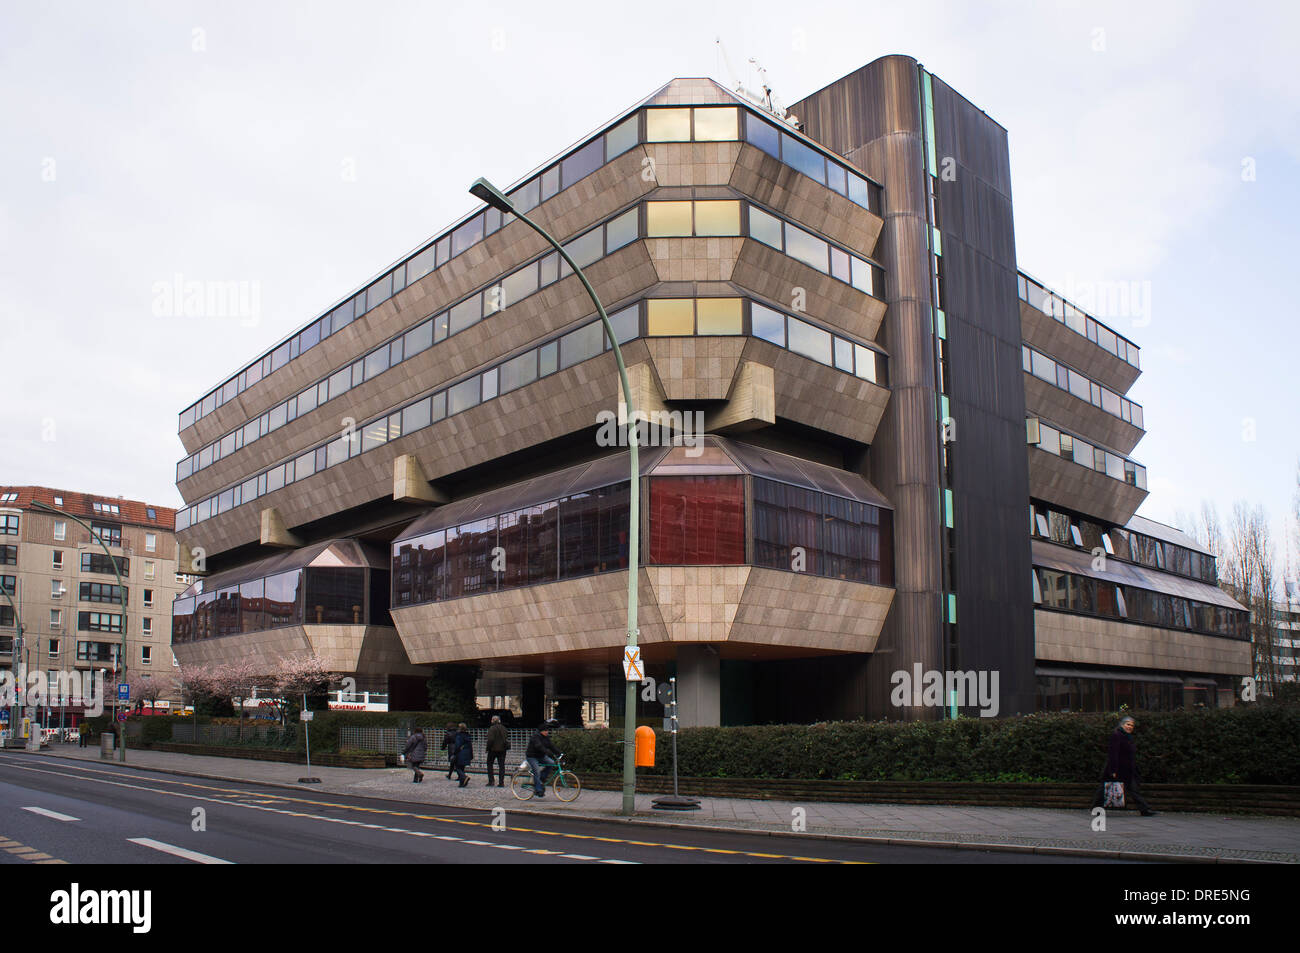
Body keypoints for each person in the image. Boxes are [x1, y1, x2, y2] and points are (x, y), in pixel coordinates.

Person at [1091, 714, 1158, 816]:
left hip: (1126, 770)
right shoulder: (1117, 735)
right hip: (1117, 769)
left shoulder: (1127, 737)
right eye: (1128, 724)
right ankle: (1095, 808)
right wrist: (1113, 770)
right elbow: (1113, 754)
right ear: (1122, 725)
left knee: (1132, 790)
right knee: (1104, 790)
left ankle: (1145, 809)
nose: (1130, 727)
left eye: (1132, 725)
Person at [525, 723, 562, 797]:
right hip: (532, 756)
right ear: (541, 731)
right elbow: (539, 746)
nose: (547, 732)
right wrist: (548, 753)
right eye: (545, 731)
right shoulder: (535, 737)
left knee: (551, 763)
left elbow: (551, 746)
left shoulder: (546, 737)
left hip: (541, 756)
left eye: (547, 731)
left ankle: (541, 778)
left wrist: (559, 753)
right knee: (537, 771)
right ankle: (538, 790)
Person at [485, 715, 510, 788]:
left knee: (489, 764)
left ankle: (491, 781)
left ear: (492, 720)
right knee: (501, 766)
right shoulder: (504, 728)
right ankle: (501, 782)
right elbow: (506, 737)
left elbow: (490, 740)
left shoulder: (492, 729)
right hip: (502, 749)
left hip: (493, 749)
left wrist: (488, 748)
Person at [451, 723, 474, 787]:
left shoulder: (459, 736)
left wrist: (454, 753)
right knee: (462, 768)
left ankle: (464, 777)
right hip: (467, 753)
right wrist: (471, 755)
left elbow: (457, 746)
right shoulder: (468, 736)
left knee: (457, 767)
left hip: (460, 753)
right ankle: (462, 783)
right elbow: (470, 746)